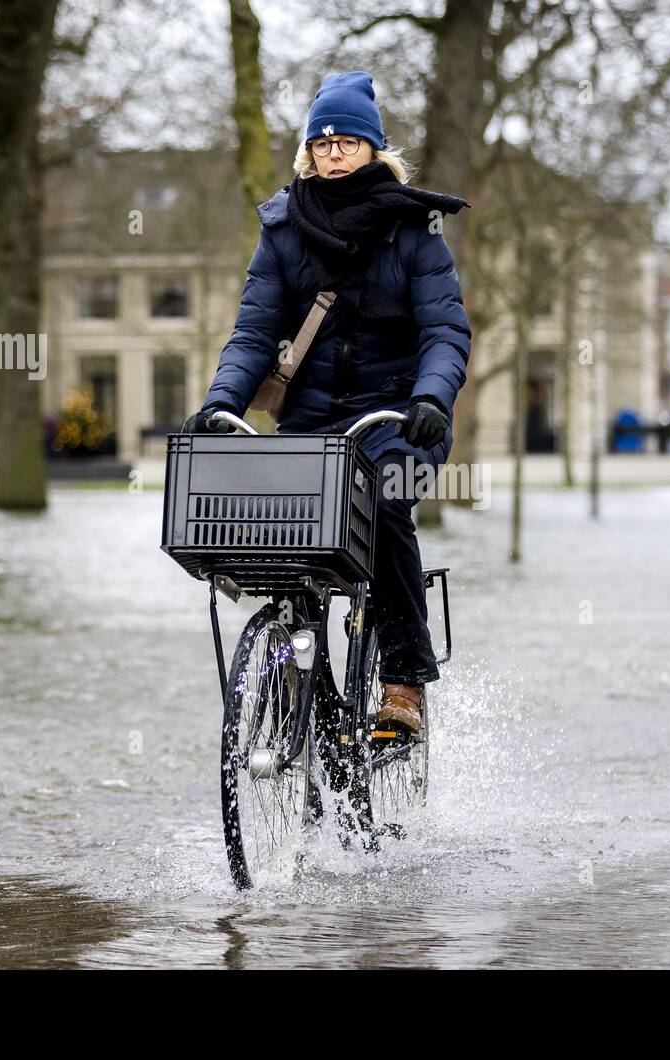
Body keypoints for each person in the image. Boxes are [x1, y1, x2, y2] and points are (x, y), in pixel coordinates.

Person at [181, 70, 472, 737]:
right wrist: (220, 404)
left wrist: (431, 398)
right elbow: (254, 332)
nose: (334, 151)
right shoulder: (283, 229)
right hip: (311, 422)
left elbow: (445, 330)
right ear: (307, 153)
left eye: (348, 141)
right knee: (285, 538)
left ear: (374, 151)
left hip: (395, 417)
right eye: (322, 141)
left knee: (388, 503)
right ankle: (291, 671)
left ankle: (402, 681)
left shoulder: (413, 227)